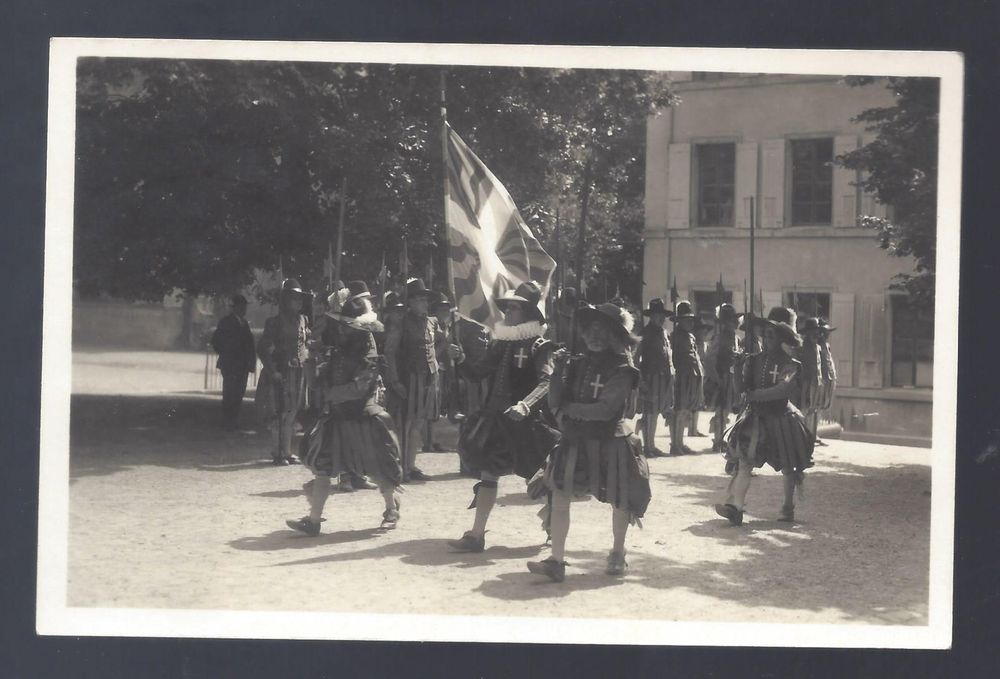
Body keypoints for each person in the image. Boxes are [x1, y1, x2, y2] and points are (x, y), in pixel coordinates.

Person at [526, 303, 650, 582]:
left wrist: (569, 410)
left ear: (614, 335)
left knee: (620, 500)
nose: (594, 335)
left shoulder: (623, 369)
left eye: (602, 330)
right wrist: (557, 374)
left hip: (611, 443)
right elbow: (555, 402)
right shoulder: (574, 363)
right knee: (559, 495)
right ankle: (556, 560)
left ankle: (617, 553)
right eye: (590, 329)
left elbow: (606, 410)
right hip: (575, 441)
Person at [446, 281, 560, 553]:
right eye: (508, 306)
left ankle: (555, 532)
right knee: (488, 474)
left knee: (543, 479)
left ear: (529, 314)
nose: (508, 311)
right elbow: (478, 373)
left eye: (515, 307)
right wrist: (461, 359)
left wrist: (525, 405)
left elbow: (547, 382)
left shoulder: (539, 346)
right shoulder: (502, 345)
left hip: (528, 424)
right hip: (496, 421)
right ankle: (476, 536)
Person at [287, 294, 404, 535]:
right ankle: (314, 520)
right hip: (338, 419)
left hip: (364, 419)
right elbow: (316, 384)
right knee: (323, 467)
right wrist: (309, 359)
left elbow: (359, 388)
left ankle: (391, 509)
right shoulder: (337, 352)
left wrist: (332, 392)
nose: (343, 329)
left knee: (379, 468)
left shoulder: (369, 357)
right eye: (343, 324)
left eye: (348, 325)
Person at [715, 307, 815, 525]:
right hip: (756, 419)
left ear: (781, 338)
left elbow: (783, 390)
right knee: (744, 462)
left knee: (788, 466)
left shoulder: (791, 365)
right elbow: (742, 388)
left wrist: (755, 395)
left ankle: (787, 507)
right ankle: (736, 508)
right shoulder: (753, 360)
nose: (766, 339)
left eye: (771, 335)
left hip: (782, 419)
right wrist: (737, 369)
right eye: (765, 335)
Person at [384, 278, 445, 482]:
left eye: (425, 300)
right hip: (409, 379)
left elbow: (441, 341)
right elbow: (390, 352)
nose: (424, 303)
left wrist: (444, 353)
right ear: (410, 302)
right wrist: (394, 381)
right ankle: (401, 468)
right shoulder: (401, 323)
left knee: (418, 423)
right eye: (419, 299)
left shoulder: (432, 322)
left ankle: (411, 464)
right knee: (405, 424)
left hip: (429, 377)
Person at [256, 279, 311, 465]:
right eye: (294, 298)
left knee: (293, 412)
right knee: (280, 412)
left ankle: (286, 451)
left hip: (298, 372)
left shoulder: (304, 320)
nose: (298, 302)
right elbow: (263, 349)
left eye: (300, 298)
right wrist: (273, 371)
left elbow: (305, 344)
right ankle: (277, 452)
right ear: (286, 300)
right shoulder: (274, 323)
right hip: (282, 373)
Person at [210, 294, 256, 430]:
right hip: (230, 365)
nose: (244, 309)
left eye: (245, 307)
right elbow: (216, 341)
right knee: (229, 392)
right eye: (241, 307)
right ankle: (227, 421)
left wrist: (251, 363)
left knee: (239, 392)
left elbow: (250, 345)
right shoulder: (226, 322)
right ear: (235, 308)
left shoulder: (245, 323)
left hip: (243, 366)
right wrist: (226, 353)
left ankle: (234, 420)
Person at [636, 298, 674, 458]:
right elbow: (636, 357)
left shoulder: (664, 333)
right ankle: (647, 447)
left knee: (656, 412)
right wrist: (640, 380)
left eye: (662, 315)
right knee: (649, 412)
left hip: (662, 377)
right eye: (657, 315)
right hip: (649, 377)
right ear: (651, 316)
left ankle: (652, 445)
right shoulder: (645, 333)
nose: (661, 318)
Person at [704, 304, 742, 453]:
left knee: (727, 409)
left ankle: (723, 438)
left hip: (733, 377)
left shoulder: (736, 338)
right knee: (720, 410)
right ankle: (718, 439)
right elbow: (709, 359)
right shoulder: (719, 338)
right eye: (731, 321)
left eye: (735, 320)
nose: (735, 323)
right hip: (723, 377)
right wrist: (716, 377)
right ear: (725, 323)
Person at [669, 300, 704, 455]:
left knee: (685, 411)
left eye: (691, 319)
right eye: (686, 319)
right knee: (678, 410)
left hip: (691, 376)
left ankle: (680, 443)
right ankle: (674, 444)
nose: (690, 322)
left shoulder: (691, 336)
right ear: (679, 320)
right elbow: (672, 358)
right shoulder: (674, 336)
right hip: (681, 376)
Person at [798, 317, 825, 445]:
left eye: (817, 331)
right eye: (812, 331)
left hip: (817, 383)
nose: (816, 334)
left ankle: (810, 437)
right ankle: (802, 436)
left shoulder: (818, 348)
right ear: (807, 333)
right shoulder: (803, 348)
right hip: (806, 383)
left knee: (814, 409)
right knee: (805, 408)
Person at [687, 317, 712, 438]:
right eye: (701, 330)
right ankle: (690, 428)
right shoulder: (693, 344)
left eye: (705, 331)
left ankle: (694, 428)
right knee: (692, 402)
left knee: (699, 403)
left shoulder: (705, 345)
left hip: (702, 375)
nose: (704, 333)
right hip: (693, 374)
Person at [816, 318, 838, 446]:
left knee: (822, 407)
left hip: (828, 379)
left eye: (828, 332)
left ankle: (816, 433)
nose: (826, 335)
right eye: (824, 332)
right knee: (815, 407)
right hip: (821, 379)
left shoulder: (827, 345)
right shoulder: (817, 347)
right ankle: (812, 434)